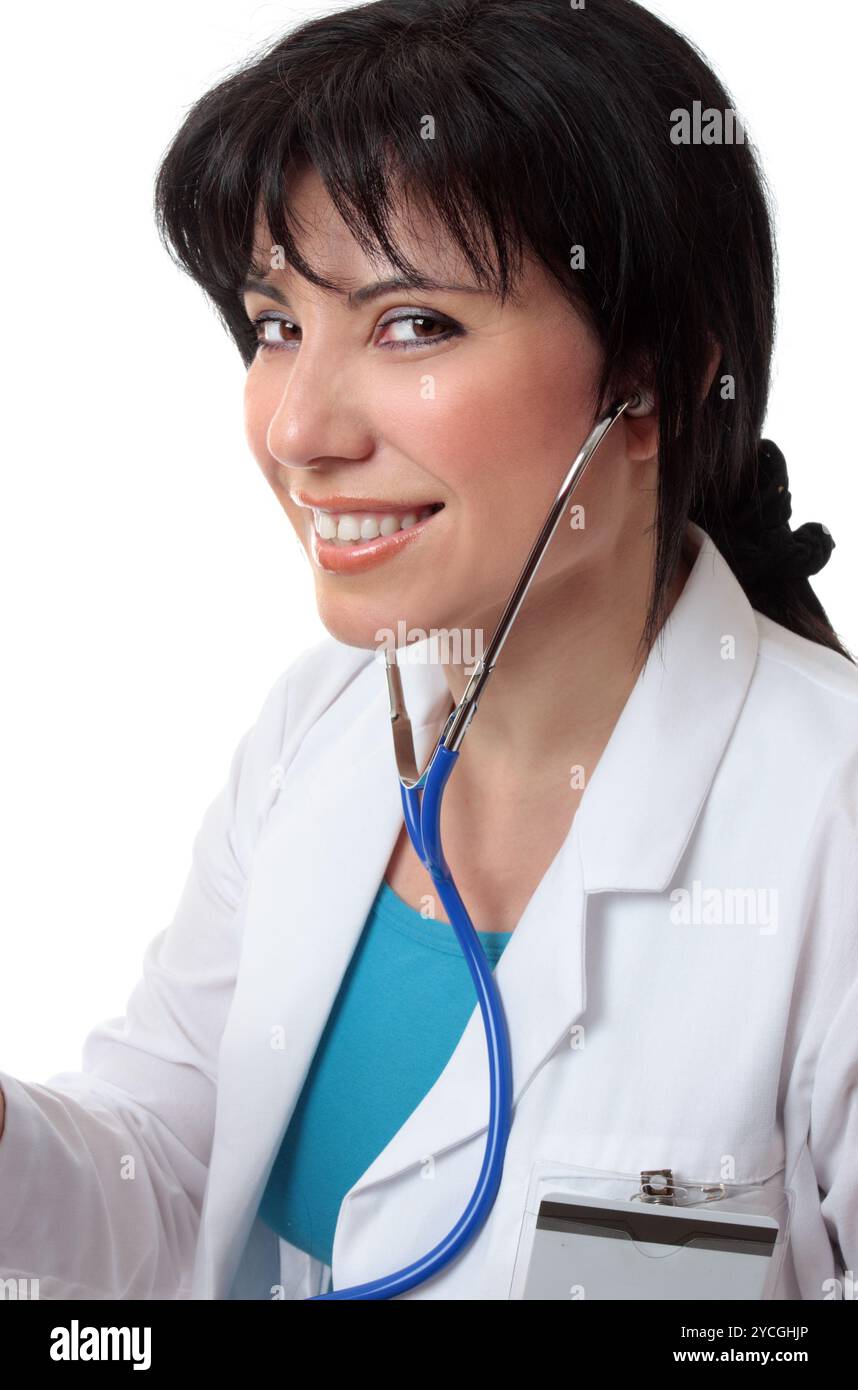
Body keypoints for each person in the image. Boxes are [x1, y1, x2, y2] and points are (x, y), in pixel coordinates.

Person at [1, 0, 855, 1301]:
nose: (295, 428)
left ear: (652, 388)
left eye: (412, 325)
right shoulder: (321, 727)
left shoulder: (825, 825)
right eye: (277, 321)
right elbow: (167, 1184)